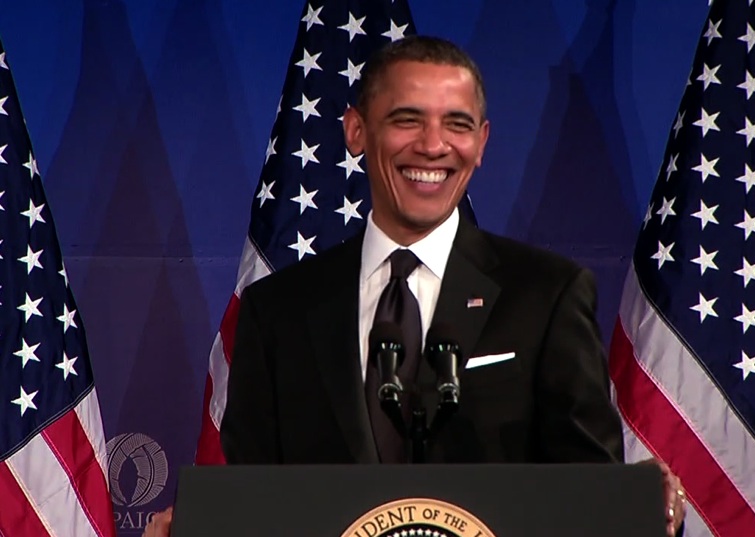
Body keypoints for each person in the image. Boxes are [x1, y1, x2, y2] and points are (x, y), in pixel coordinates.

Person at [144, 35, 686, 536]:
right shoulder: (278, 310)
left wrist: (643, 507)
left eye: (457, 124)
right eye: (407, 120)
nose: (433, 146)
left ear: (482, 141)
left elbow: (589, 496)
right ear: (356, 131)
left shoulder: (547, 295)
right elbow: (254, 501)